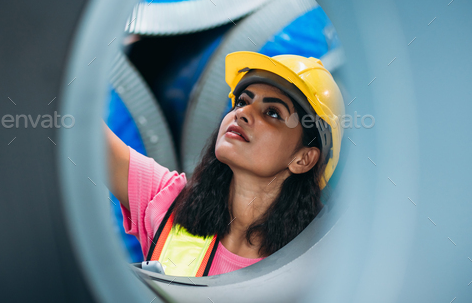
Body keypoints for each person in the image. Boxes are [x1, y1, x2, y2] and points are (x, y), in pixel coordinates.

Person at [103, 51, 345, 277]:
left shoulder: (316, 272)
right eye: (242, 101)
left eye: (272, 112)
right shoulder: (168, 202)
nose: (242, 113)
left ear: (303, 159)